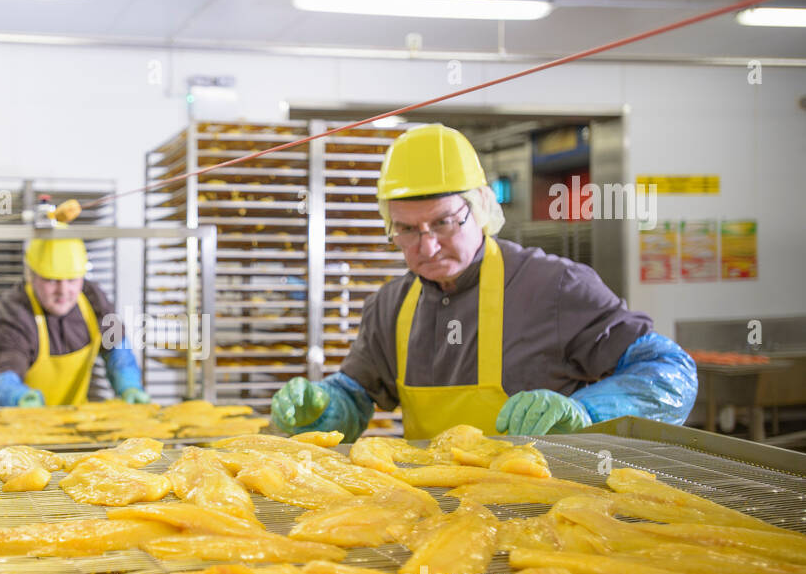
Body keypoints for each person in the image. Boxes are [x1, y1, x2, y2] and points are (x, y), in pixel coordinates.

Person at [271, 123, 697, 441]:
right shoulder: (390, 305)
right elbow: (356, 395)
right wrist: (323, 409)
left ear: (480, 208)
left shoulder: (555, 287)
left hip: (547, 513)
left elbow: (668, 371)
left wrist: (585, 411)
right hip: (430, 514)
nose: (429, 247)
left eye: (444, 223)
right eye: (406, 230)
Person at [0, 219, 149, 407]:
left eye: (72, 279)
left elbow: (116, 347)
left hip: (67, 422)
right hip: (3, 421)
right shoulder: (13, 313)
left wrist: (129, 385)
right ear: (31, 276)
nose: (63, 291)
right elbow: (1, 377)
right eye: (51, 280)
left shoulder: (93, 298)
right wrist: (17, 397)